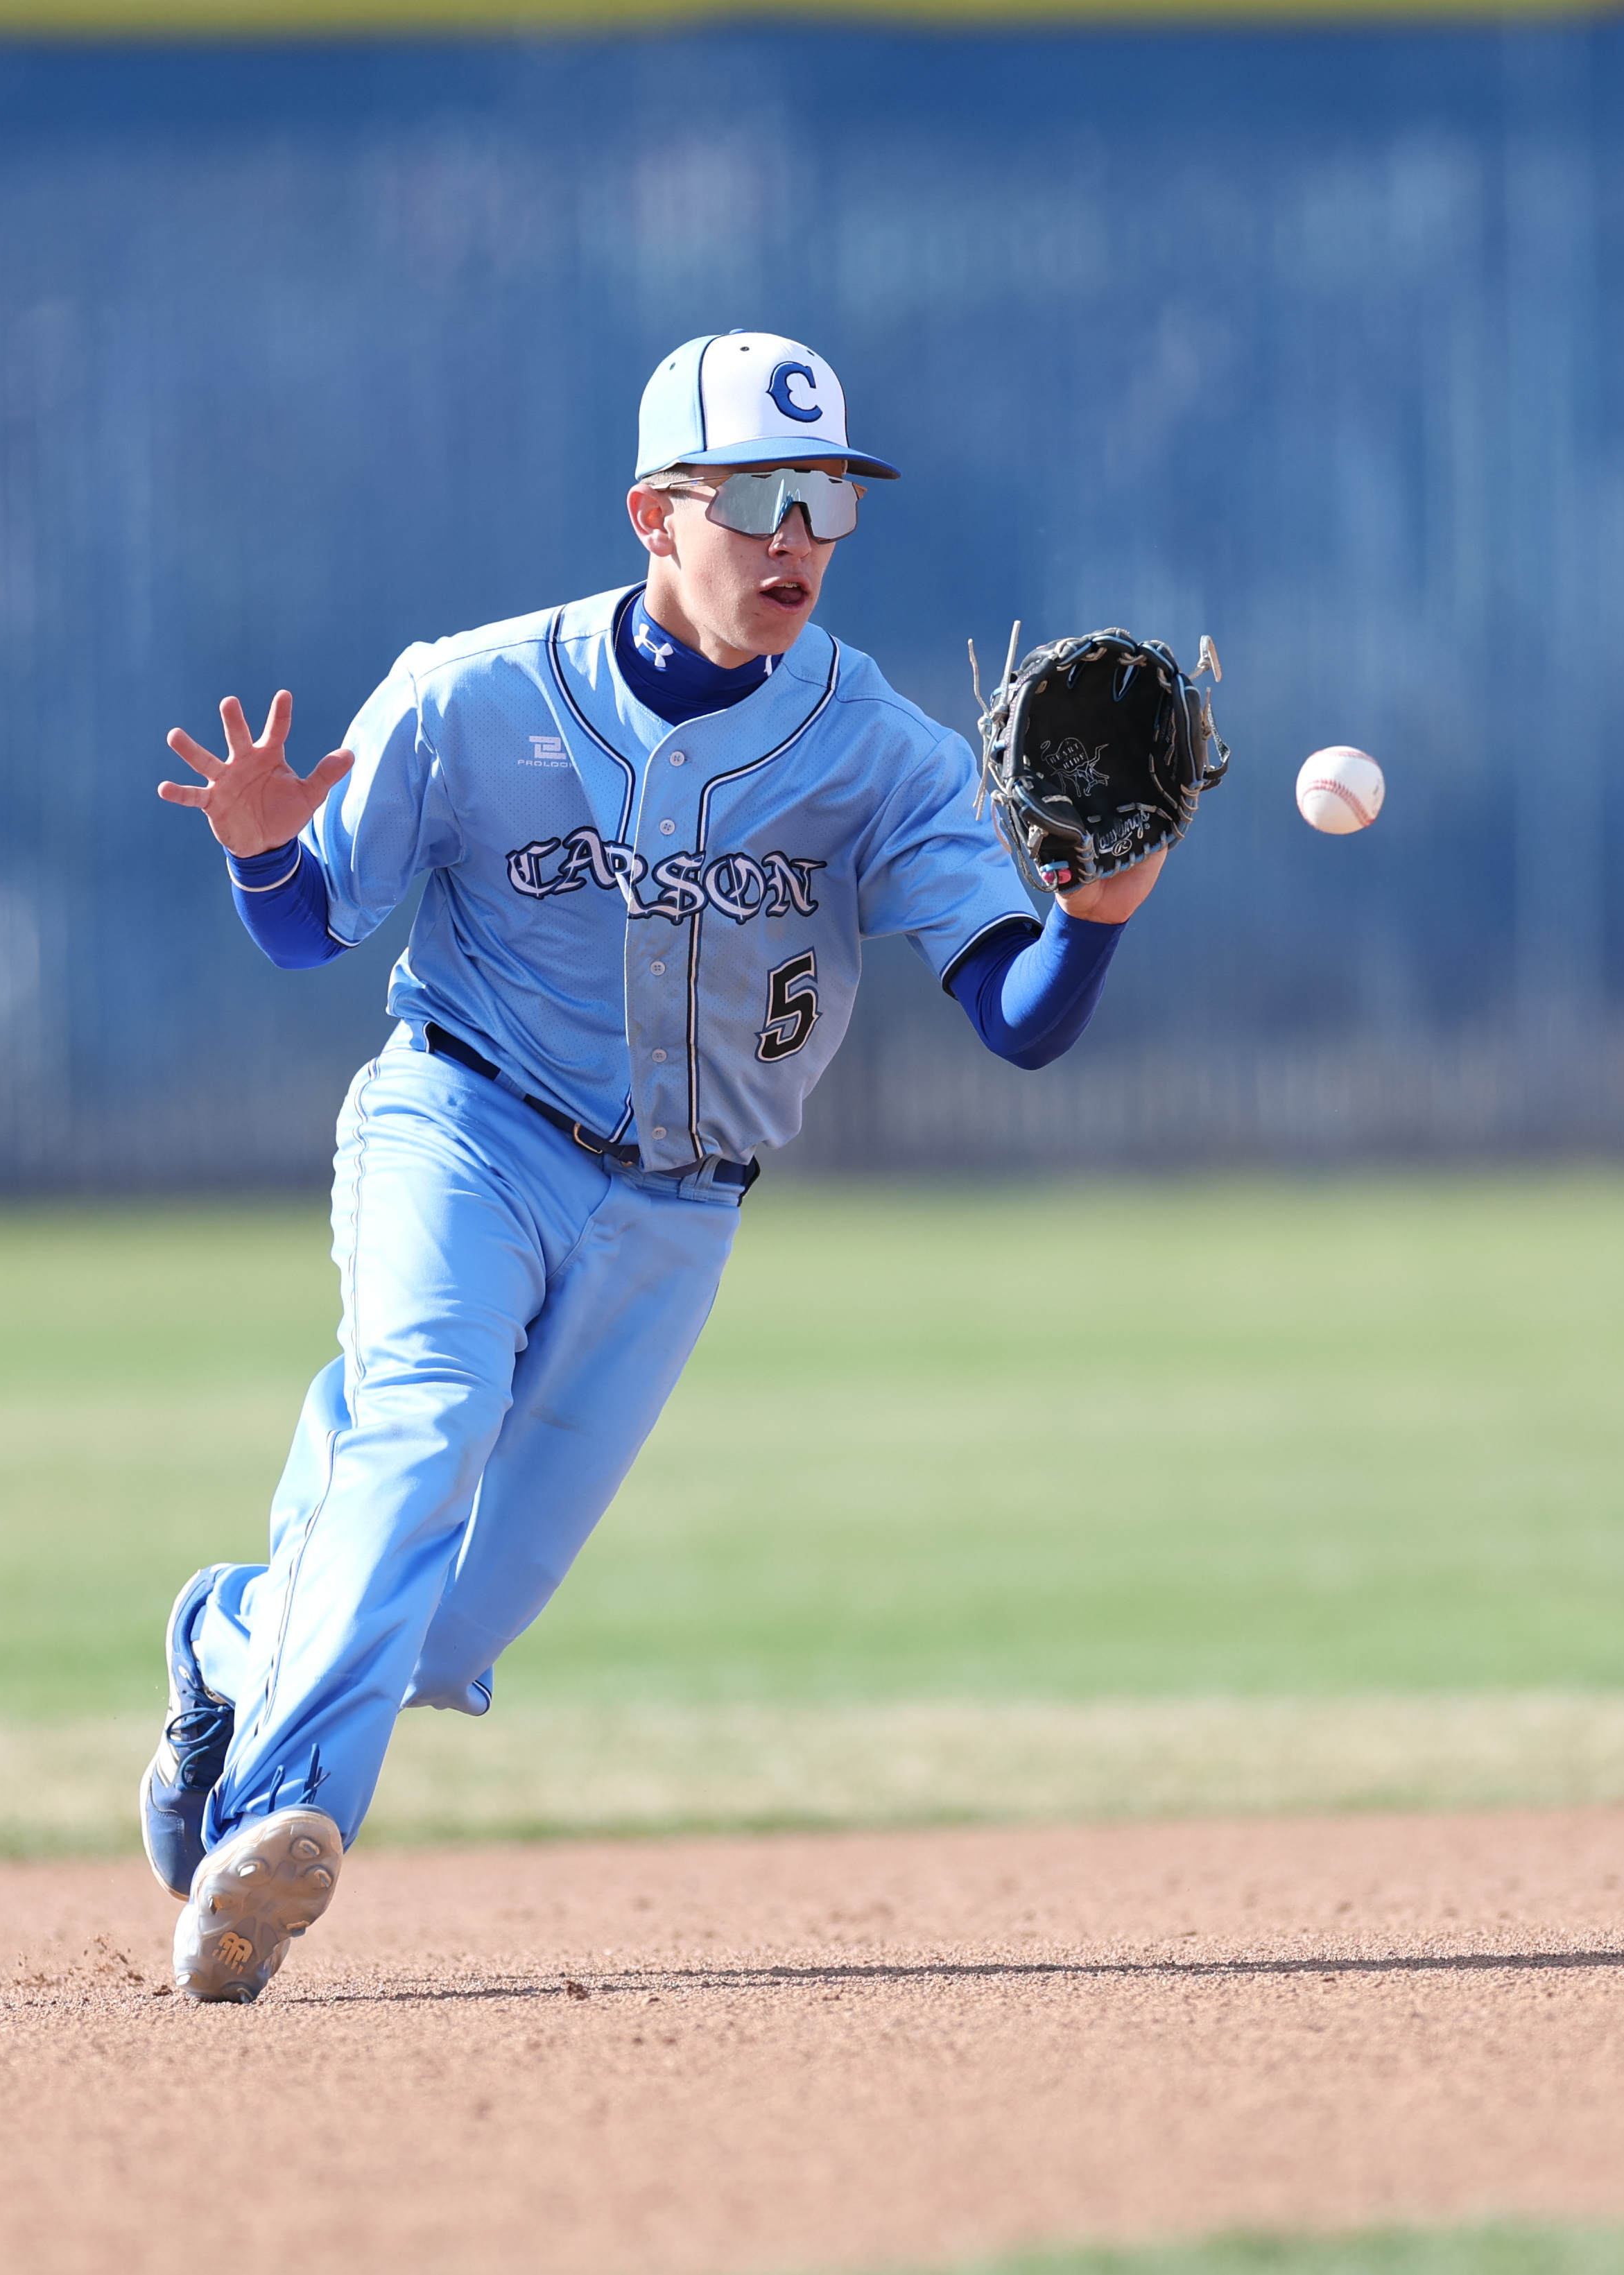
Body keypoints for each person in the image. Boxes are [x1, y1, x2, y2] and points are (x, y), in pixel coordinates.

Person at [145, 330, 1166, 2002]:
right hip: (459, 1128)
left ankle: (223, 1639)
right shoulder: (471, 692)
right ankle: (283, 1821)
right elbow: (308, 928)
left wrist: (1094, 919)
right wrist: (264, 855)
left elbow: (1019, 1021)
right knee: (416, 1424)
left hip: (677, 1207)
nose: (795, 543)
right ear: (651, 512)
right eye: (756, 498)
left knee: (454, 1628)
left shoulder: (879, 753)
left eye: (825, 501)